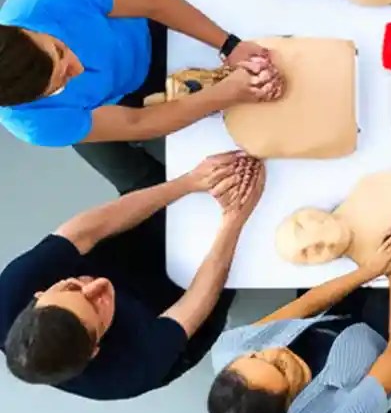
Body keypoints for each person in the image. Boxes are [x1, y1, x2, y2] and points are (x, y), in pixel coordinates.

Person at [0, 0, 281, 194]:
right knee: (149, 190)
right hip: (109, 105)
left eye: (61, 52)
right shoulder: (34, 124)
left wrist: (230, 45)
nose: (80, 69)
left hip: (145, 26)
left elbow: (155, 3)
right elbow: (139, 123)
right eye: (60, 85)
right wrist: (227, 93)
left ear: (30, 30)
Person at [0, 151, 262, 400]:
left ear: (39, 294)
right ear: (95, 350)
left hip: (122, 254)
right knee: (237, 248)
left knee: (163, 214)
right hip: (168, 310)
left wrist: (189, 181)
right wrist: (235, 219)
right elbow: (193, 304)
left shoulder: (10, 292)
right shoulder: (130, 369)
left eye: (71, 287)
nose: (98, 286)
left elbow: (87, 231)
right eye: (96, 305)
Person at [207, 214, 391, 413]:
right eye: (280, 367)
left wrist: (370, 270)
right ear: (290, 403)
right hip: (385, 358)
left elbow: (305, 305)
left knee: (348, 245)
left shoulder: (229, 350)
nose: (275, 351)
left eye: (256, 355)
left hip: (325, 326)